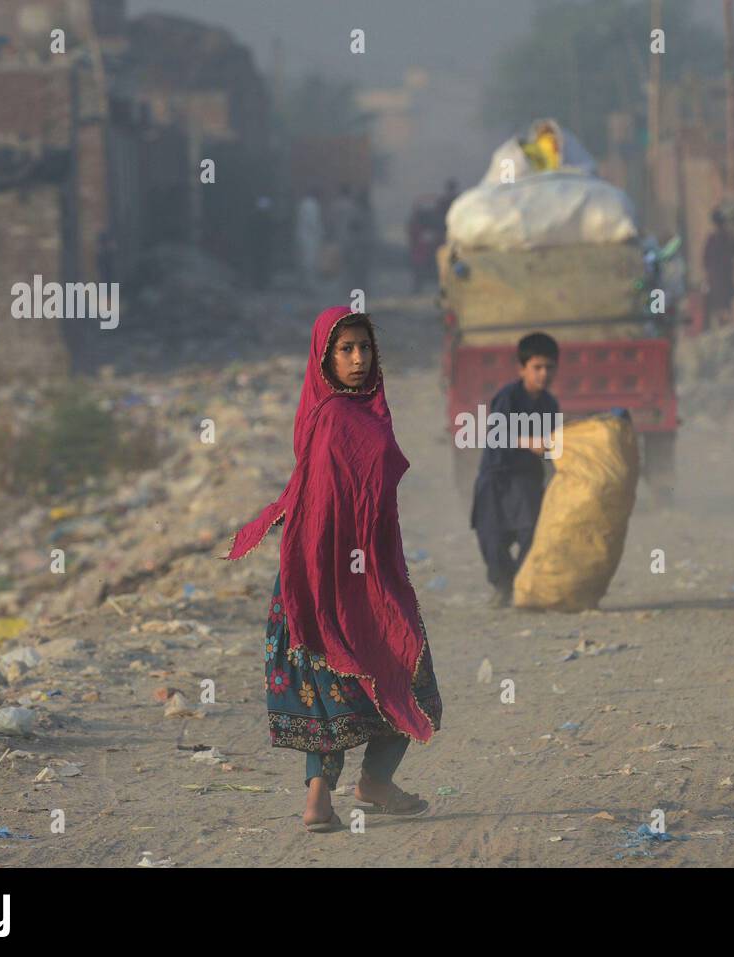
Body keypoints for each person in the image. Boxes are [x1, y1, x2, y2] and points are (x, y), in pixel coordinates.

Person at [224, 306, 442, 833]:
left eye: (365, 348)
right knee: (392, 678)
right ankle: (349, 789)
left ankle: (344, 794)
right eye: (345, 350)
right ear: (323, 357)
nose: (359, 359)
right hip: (334, 583)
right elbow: (323, 506)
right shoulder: (338, 419)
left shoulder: (341, 412)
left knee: (343, 689)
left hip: (335, 577)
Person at [470, 332, 561, 607]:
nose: (543, 374)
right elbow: (496, 434)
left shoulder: (549, 404)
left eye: (549, 368)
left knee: (530, 533)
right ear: (522, 368)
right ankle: (502, 586)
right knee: (492, 537)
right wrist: (527, 442)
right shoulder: (508, 397)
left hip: (527, 480)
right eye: (537, 367)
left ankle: (521, 587)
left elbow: (552, 444)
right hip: (497, 477)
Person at [702, 206, 734, 326]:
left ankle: (726, 322)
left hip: (720, 276)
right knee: (724, 302)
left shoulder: (714, 239)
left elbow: (705, 260)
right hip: (722, 275)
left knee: (722, 302)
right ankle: (727, 322)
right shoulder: (726, 236)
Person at [295, 189, 324, 289]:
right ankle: (309, 285)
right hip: (310, 237)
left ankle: (305, 284)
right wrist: (320, 234)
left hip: (304, 236)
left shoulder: (304, 204)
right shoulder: (312, 205)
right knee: (310, 262)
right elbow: (313, 223)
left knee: (305, 261)